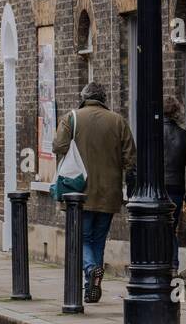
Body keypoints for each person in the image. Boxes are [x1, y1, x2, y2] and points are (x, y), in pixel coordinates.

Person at [53, 81, 135, 303]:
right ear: (104, 98)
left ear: (84, 96)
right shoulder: (118, 121)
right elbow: (130, 158)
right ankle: (92, 286)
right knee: (98, 240)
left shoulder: (72, 118)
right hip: (109, 193)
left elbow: (58, 146)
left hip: (79, 192)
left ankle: (90, 270)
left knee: (81, 237)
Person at [163, 97, 186, 273]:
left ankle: (162, 265)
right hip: (176, 189)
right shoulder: (185, 136)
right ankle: (173, 266)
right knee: (171, 227)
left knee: (157, 228)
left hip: (156, 190)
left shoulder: (151, 135)